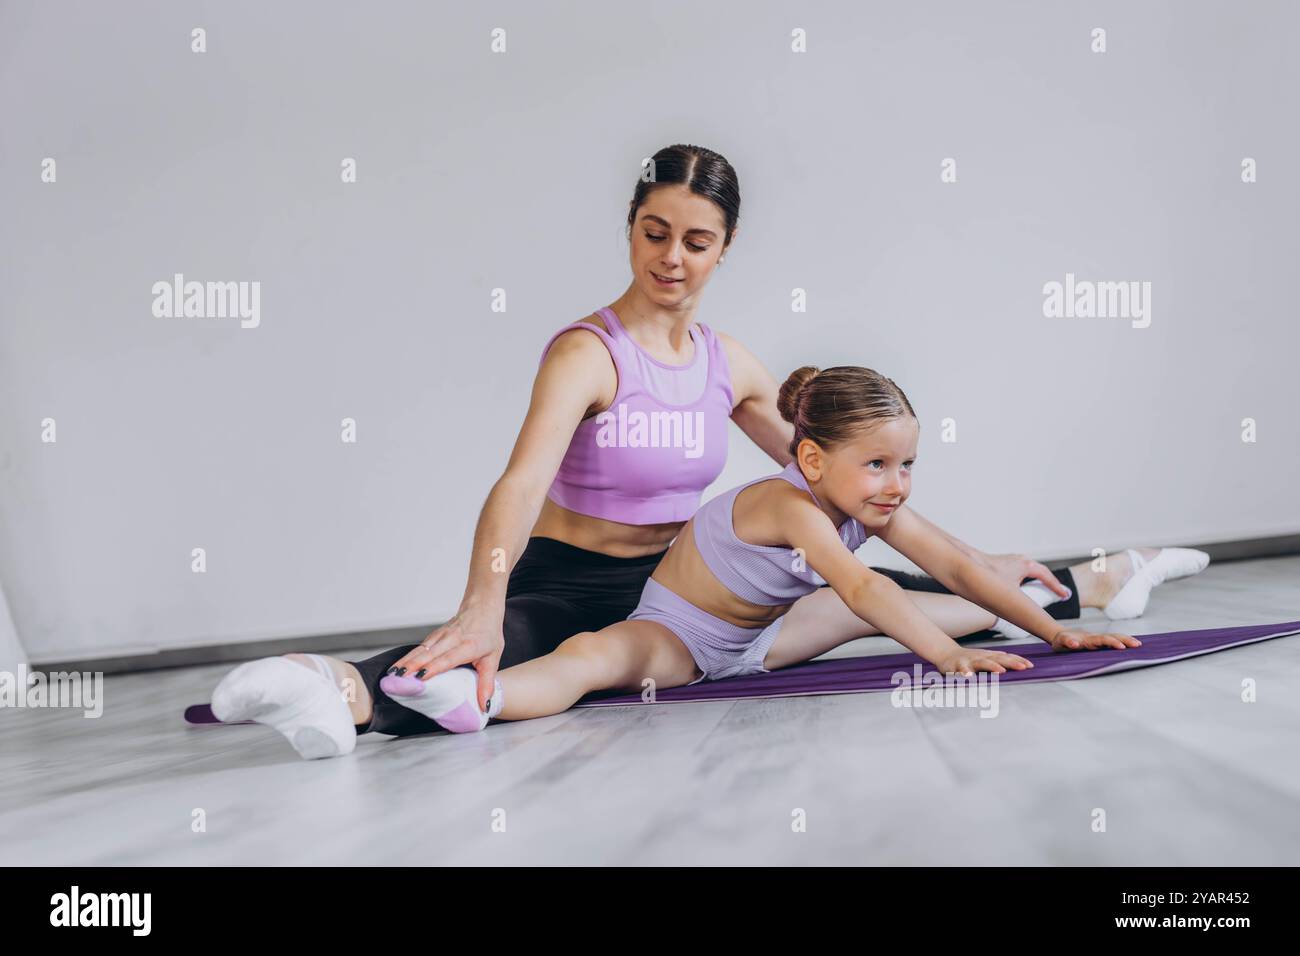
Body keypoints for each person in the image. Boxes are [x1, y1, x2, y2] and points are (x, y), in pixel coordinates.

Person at [208, 146, 1208, 759]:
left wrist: (974, 554)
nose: (672, 257)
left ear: (725, 247)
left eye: (696, 240)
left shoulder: (731, 364)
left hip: (679, 586)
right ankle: (330, 689)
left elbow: (841, 482)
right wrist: (479, 600)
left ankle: (1094, 582)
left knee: (911, 586)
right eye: (655, 233)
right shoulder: (587, 352)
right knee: (494, 646)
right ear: (631, 231)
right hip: (571, 580)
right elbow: (519, 483)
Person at [376, 366, 1149, 732]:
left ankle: (1057, 603)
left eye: (907, 464)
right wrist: (944, 661)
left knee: (947, 602)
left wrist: (1053, 637)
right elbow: (865, 590)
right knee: (592, 657)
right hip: (680, 635)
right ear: (812, 460)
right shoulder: (790, 505)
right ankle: (478, 700)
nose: (897, 484)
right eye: (878, 465)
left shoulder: (868, 501)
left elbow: (956, 565)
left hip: (762, 637)